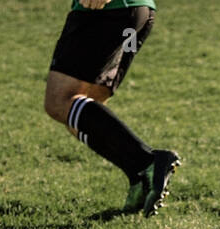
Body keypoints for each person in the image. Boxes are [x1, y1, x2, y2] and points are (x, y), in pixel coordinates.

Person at [44, 0, 181, 216]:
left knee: (60, 101)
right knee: (87, 107)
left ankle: (148, 161)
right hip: (136, 14)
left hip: (106, 12)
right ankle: (140, 178)